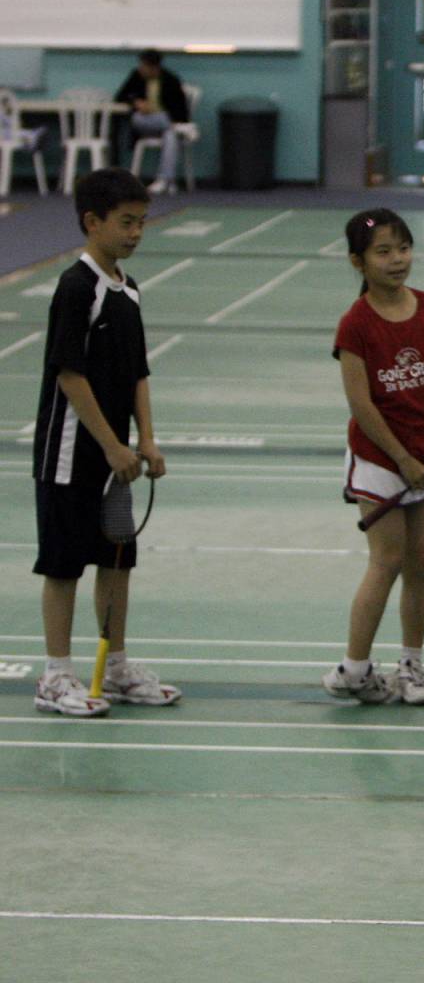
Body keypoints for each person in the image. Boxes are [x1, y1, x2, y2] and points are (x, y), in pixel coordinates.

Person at [31, 168, 177, 717]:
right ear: (92, 222)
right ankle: (55, 676)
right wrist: (112, 445)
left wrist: (146, 439)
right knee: (64, 564)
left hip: (117, 458)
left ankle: (114, 668)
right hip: (72, 453)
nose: (137, 232)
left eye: (142, 222)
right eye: (126, 222)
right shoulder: (77, 286)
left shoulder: (129, 289)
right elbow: (69, 375)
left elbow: (139, 371)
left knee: (116, 561)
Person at [323, 209, 424, 706]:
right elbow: (361, 403)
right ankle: (355, 669)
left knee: (420, 564)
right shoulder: (355, 324)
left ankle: (412, 666)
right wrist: (402, 458)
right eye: (383, 251)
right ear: (357, 262)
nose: (397, 259)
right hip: (380, 460)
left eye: (403, 248)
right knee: (387, 560)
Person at [112, 50, 191, 195]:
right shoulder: (136, 77)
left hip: (165, 122)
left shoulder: (171, 80)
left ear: (154, 67)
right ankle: (181, 130)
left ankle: (165, 180)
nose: (141, 69)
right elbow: (120, 97)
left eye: (144, 66)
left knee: (170, 135)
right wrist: (136, 103)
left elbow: (182, 111)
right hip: (144, 122)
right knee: (163, 126)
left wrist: (165, 116)